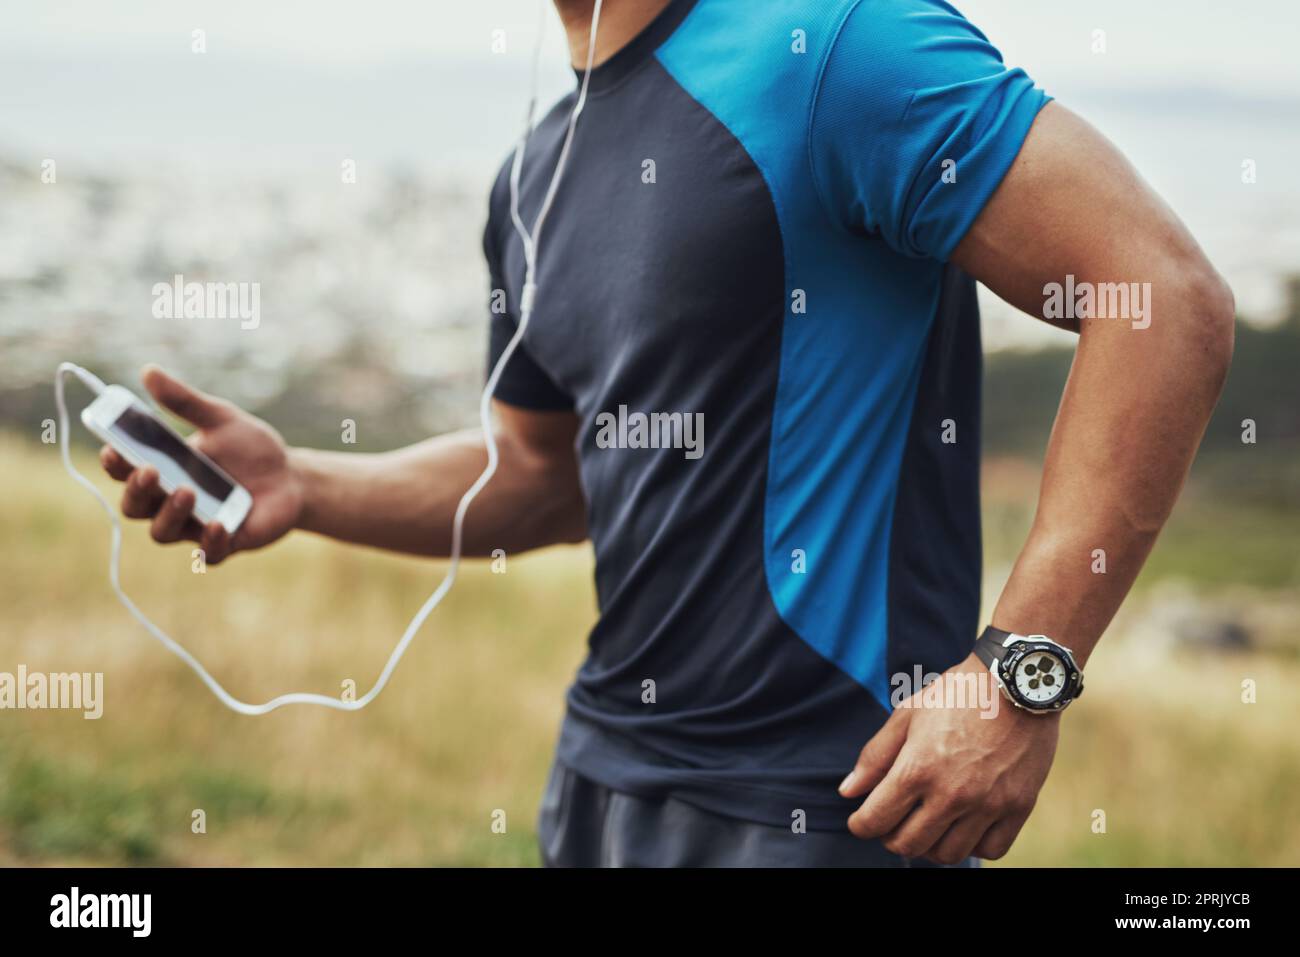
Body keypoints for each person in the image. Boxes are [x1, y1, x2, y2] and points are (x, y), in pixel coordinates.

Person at [99, 0, 1234, 867]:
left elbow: (1158, 295)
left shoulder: (838, 45)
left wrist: (1017, 678)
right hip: (600, 785)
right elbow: (543, 473)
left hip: (830, 802)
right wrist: (302, 482)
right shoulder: (532, 176)